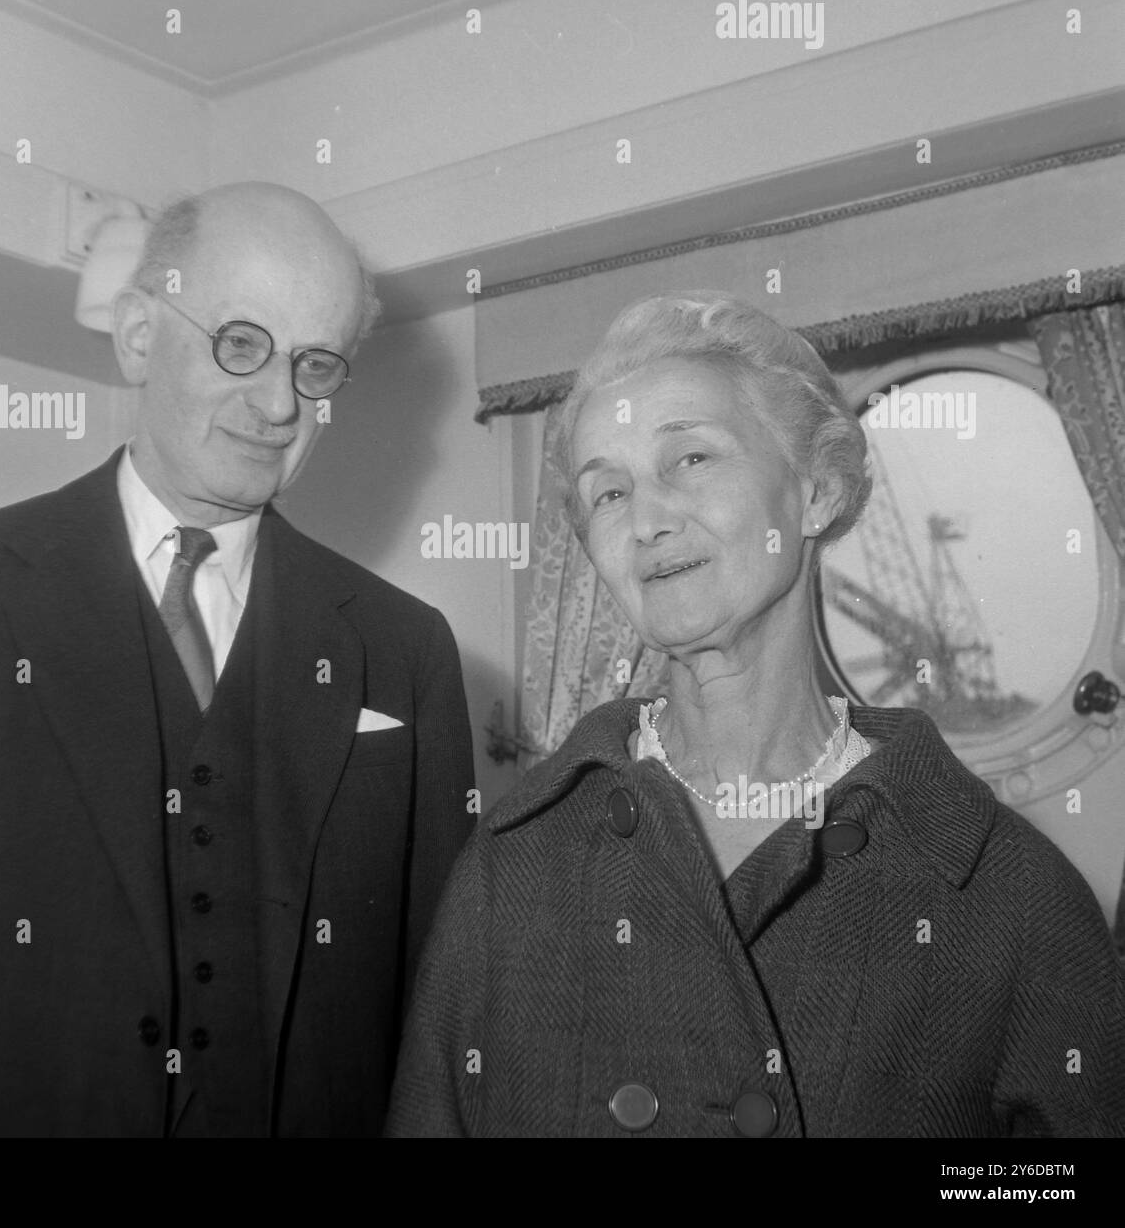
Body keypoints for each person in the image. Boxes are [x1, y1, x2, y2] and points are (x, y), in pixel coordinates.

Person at [387, 291, 1125, 1137]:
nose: (649, 520)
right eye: (609, 493)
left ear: (815, 493)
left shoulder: (1005, 889)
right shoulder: (512, 863)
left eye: (691, 460)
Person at [0, 182, 475, 1137]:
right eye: (241, 344)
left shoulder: (403, 649)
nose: (278, 404)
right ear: (137, 333)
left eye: (316, 364)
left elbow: (442, 1004)